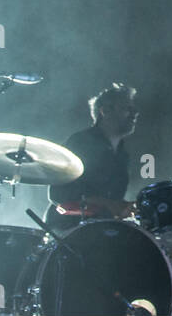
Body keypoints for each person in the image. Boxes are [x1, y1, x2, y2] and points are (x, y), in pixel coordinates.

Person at [44, 82, 139, 232]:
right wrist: (108, 204)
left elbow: (112, 201)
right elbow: (58, 193)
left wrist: (124, 207)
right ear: (105, 111)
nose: (134, 113)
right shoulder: (81, 142)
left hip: (99, 232)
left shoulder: (123, 155)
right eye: (127, 108)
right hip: (68, 229)